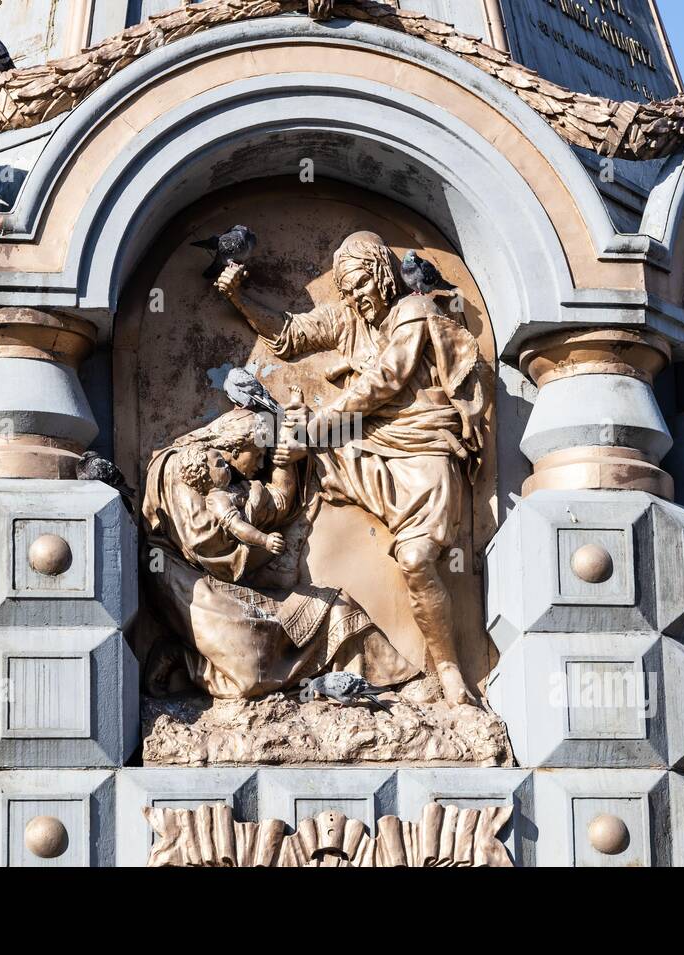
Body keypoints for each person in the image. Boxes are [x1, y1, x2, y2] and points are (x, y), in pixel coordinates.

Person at [214, 231, 487, 705]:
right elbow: (289, 335)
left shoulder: (414, 311)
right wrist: (239, 297)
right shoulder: (349, 318)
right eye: (348, 289)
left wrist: (315, 430)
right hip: (362, 440)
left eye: (361, 283)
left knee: (417, 560)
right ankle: (248, 557)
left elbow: (385, 381)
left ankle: (449, 672)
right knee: (279, 444)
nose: (357, 297)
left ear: (383, 273)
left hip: (423, 449)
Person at [140, 407, 418, 699]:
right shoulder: (181, 466)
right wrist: (252, 517)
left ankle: (392, 681)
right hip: (180, 578)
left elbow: (279, 502)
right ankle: (184, 659)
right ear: (233, 448)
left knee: (336, 607)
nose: (263, 463)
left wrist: (287, 457)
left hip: (234, 580)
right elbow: (210, 544)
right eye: (259, 455)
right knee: (250, 671)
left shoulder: (235, 484)